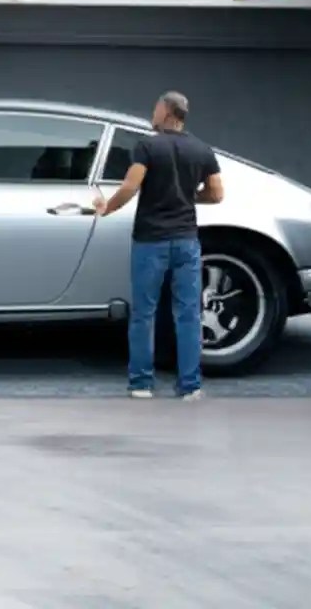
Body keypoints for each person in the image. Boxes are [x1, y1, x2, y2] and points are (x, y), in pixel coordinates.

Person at [90, 91, 224, 401]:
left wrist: (105, 208)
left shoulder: (147, 146)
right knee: (189, 314)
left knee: (144, 314)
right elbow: (217, 194)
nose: (152, 114)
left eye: (155, 108)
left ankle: (141, 384)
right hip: (187, 241)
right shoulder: (202, 150)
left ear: (166, 112)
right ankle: (190, 386)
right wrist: (189, 197)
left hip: (151, 240)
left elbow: (129, 187)